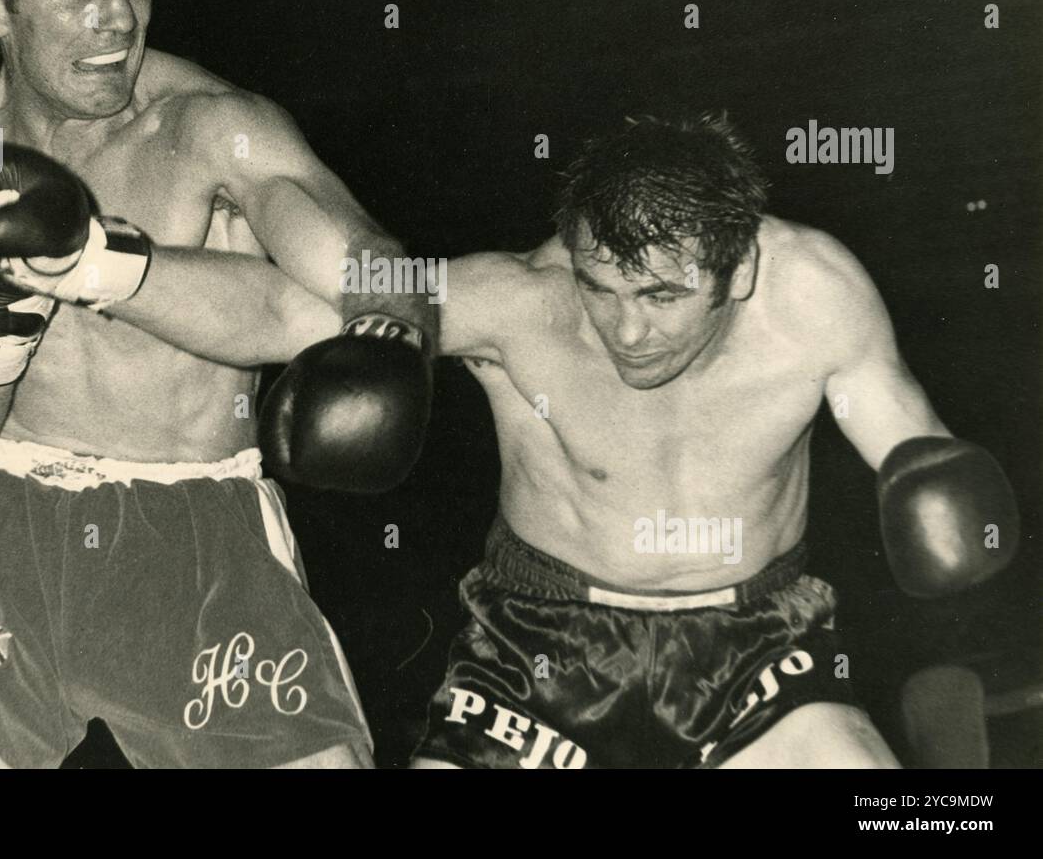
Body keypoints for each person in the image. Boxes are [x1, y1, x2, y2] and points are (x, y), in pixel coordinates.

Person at [0, 0, 435, 769]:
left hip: (199, 545)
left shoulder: (214, 128)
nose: (117, 17)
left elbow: (373, 268)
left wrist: (393, 338)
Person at [412, 113, 1017, 769]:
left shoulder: (814, 296)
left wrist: (946, 492)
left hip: (755, 651)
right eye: (599, 288)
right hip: (536, 651)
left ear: (741, 269)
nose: (628, 330)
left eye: (661, 295)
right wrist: (369, 340)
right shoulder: (515, 301)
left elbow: (912, 446)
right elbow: (297, 306)